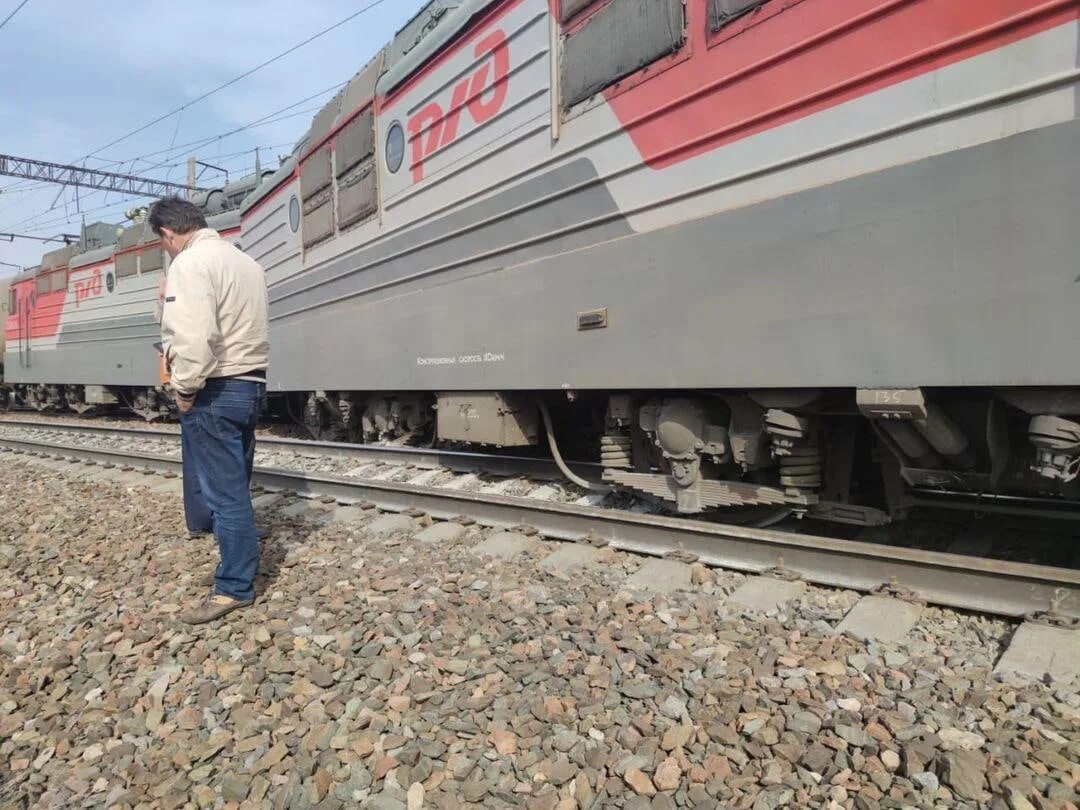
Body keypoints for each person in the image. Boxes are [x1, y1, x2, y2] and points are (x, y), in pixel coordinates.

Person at [151, 197, 270, 624]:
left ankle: (234, 587)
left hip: (216, 389)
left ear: (168, 234)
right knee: (236, 481)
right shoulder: (246, 263)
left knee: (225, 493)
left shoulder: (189, 263)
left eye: (163, 244)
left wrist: (184, 389)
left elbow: (194, 333)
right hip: (252, 384)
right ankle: (238, 549)